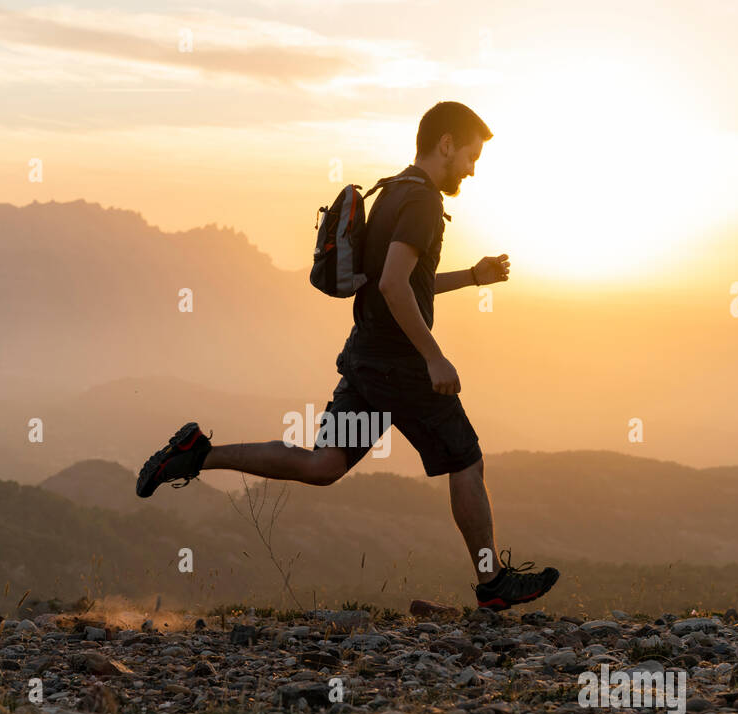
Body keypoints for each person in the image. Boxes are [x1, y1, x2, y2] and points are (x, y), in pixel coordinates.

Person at [136, 101, 559, 610]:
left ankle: (197, 454)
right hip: (400, 367)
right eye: (470, 156)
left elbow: (403, 283)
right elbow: (394, 285)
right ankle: (493, 584)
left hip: (366, 358)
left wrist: (472, 276)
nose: (472, 169)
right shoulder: (422, 203)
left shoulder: (393, 190)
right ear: (445, 144)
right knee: (465, 458)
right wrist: (435, 357)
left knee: (323, 464)